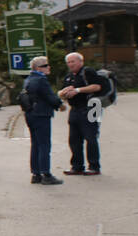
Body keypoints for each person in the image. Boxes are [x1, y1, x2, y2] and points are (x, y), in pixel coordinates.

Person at [59, 51, 104, 176]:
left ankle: (94, 166)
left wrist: (78, 90)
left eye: (73, 61)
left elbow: (97, 87)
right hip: (75, 109)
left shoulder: (88, 72)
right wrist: (63, 92)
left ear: (80, 61)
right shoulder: (68, 76)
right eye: (68, 62)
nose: (70, 64)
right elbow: (62, 92)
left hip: (91, 107)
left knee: (91, 137)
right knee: (74, 139)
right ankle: (77, 166)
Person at [22, 56, 64, 185]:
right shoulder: (41, 80)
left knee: (35, 144)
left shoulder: (28, 79)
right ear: (38, 68)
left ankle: (36, 173)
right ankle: (46, 173)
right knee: (44, 144)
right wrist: (60, 104)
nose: (48, 67)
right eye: (46, 65)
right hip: (41, 114)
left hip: (30, 114)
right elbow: (49, 97)